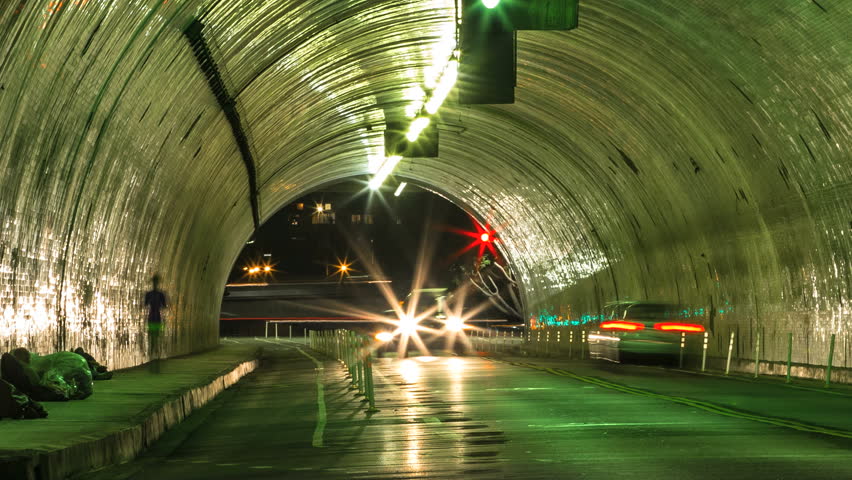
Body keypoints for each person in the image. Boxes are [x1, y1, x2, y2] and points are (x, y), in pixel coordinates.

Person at [144, 274, 168, 372]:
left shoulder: (150, 294)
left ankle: (154, 359)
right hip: (155, 318)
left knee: (154, 339)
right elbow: (164, 306)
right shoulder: (159, 295)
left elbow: (146, 304)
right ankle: (154, 359)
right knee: (154, 339)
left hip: (153, 318)